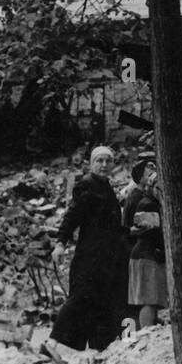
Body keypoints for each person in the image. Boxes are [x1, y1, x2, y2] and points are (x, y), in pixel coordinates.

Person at [50, 146, 129, 350]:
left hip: (106, 259)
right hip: (90, 256)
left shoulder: (106, 187)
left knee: (101, 302)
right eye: (99, 161)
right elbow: (72, 216)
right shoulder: (87, 186)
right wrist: (60, 243)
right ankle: (54, 344)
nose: (104, 165)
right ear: (91, 164)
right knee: (80, 298)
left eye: (108, 161)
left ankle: (97, 350)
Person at [122, 161, 166, 329]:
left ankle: (148, 326)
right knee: (148, 299)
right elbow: (147, 232)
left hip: (146, 253)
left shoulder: (150, 202)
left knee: (151, 298)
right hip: (145, 255)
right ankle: (146, 331)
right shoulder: (146, 202)